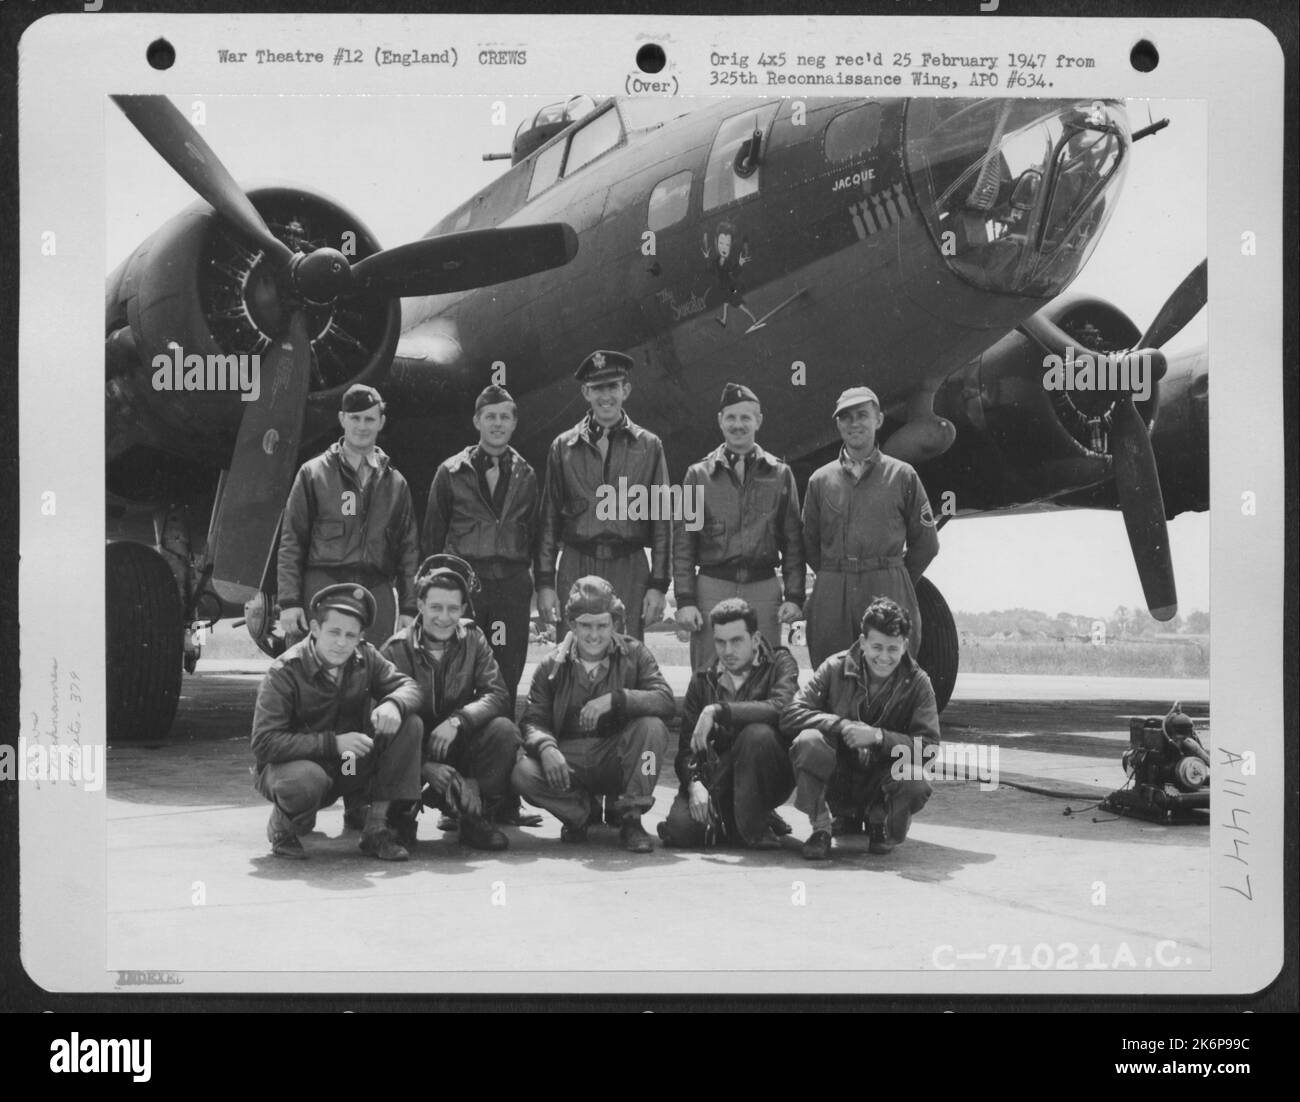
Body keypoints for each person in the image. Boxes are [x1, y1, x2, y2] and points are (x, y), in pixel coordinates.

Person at [276, 383, 420, 829]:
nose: (362, 426)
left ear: (381, 421)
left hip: (373, 593)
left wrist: (410, 606)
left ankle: (360, 797)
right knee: (315, 693)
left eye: (370, 418)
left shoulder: (395, 482)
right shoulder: (312, 473)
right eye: (354, 418)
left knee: (366, 694)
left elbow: (409, 549)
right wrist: (287, 602)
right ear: (342, 421)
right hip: (324, 586)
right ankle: (303, 796)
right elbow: (292, 540)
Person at [251, 584, 424, 861]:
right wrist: (333, 743)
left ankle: (376, 828)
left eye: (350, 635)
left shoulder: (365, 657)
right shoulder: (284, 672)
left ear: (360, 638)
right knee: (307, 780)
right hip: (299, 770)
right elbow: (264, 743)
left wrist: (394, 703)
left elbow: (409, 687)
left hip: (347, 765)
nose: (342, 642)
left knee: (408, 722)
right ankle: (285, 825)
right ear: (316, 629)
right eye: (334, 632)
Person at [512, 576, 675, 853]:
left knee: (653, 728)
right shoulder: (551, 665)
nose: (594, 634)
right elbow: (533, 719)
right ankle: (579, 814)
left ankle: (631, 816)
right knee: (523, 773)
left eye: (603, 625)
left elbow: (665, 700)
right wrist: (546, 747)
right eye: (585, 625)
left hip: (617, 757)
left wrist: (617, 699)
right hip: (569, 761)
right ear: (572, 625)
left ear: (615, 624)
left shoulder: (635, 654)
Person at [380, 556, 524, 852]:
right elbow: (376, 722)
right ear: (420, 606)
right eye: (435, 607)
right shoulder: (396, 649)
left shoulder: (474, 638)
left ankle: (474, 814)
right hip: (412, 749)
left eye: (452, 608)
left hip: (456, 741)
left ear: (463, 609)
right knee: (407, 723)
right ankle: (400, 815)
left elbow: (497, 694)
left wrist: (458, 720)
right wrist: (424, 765)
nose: (444, 617)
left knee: (503, 730)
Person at [783, 596, 939, 861]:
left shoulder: (918, 682)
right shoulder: (834, 667)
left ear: (905, 645)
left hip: (881, 777)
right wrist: (841, 725)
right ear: (863, 641)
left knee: (914, 776)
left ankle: (880, 821)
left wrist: (878, 737)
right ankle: (821, 827)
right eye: (876, 647)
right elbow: (791, 714)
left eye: (893, 648)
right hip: (839, 775)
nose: (884, 657)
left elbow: (929, 748)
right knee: (808, 741)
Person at [535, 350, 671, 643]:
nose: (605, 396)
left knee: (626, 655)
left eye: (612, 387)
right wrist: (545, 583)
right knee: (572, 656)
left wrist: (659, 585)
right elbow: (548, 522)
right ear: (586, 392)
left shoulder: (649, 446)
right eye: (597, 388)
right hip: (576, 562)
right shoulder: (563, 447)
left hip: (629, 566)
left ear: (626, 390)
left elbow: (662, 522)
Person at [801, 386, 939, 668]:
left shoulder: (902, 475)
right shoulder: (820, 480)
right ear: (838, 424)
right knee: (832, 679)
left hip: (886, 584)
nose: (854, 423)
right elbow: (808, 543)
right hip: (833, 590)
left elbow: (927, 544)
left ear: (878, 420)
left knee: (891, 680)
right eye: (846, 417)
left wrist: (896, 579)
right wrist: (833, 578)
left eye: (862, 415)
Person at [422, 384, 539, 714]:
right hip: (467, 588)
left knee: (506, 668)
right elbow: (433, 537)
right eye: (490, 416)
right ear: (477, 422)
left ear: (514, 423)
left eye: (505, 417)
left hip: (510, 591)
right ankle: (455, 740)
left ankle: (499, 741)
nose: (497, 423)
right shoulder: (450, 473)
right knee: (459, 665)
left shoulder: (526, 475)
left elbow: (535, 533)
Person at [673, 382, 805, 672]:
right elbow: (684, 543)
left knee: (764, 670)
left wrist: (794, 596)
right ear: (720, 421)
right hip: (713, 586)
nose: (738, 425)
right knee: (709, 670)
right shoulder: (698, 475)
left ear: (758, 421)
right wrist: (685, 599)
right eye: (731, 417)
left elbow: (793, 541)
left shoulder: (780, 474)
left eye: (746, 417)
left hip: (763, 586)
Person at [659, 598, 799, 849]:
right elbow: (686, 751)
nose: (727, 651)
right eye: (720, 642)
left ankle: (752, 824)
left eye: (736, 641)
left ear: (755, 639)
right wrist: (694, 785)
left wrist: (719, 710)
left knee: (758, 734)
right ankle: (737, 819)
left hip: (769, 774)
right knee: (681, 831)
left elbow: (782, 707)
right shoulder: (703, 678)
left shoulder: (780, 663)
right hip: (721, 775)